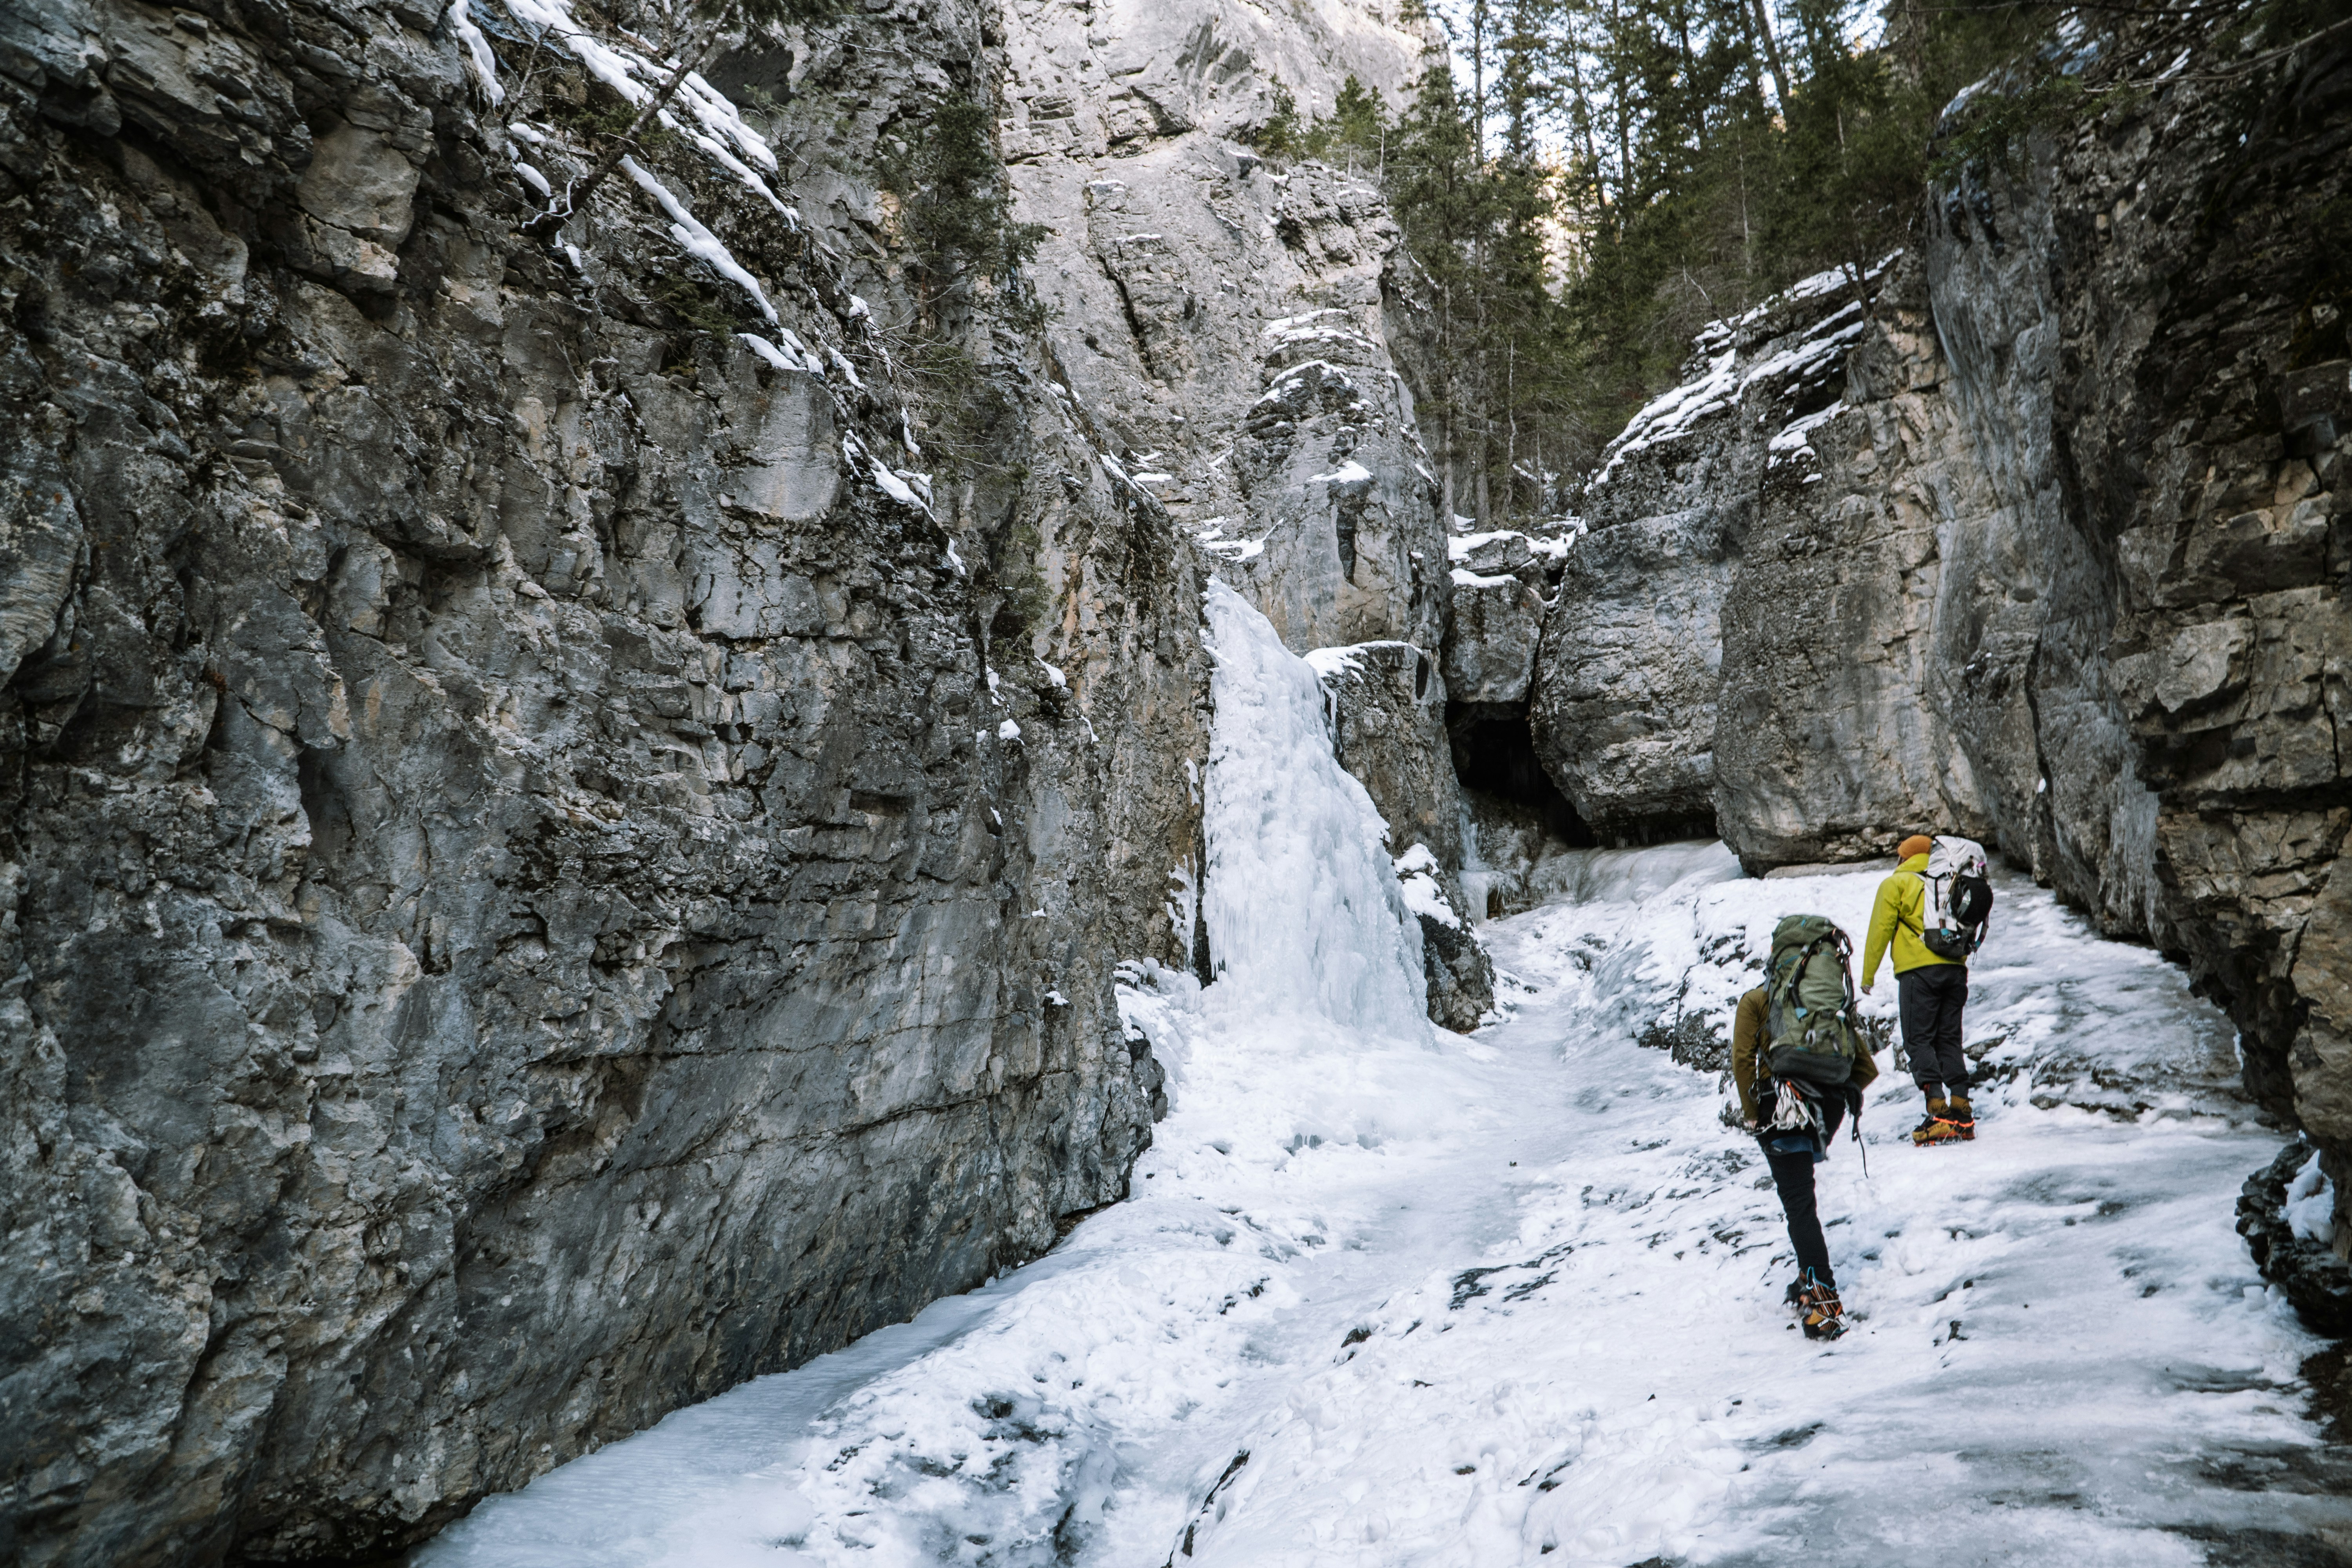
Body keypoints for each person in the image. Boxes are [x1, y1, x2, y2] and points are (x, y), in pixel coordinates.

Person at [1732, 983, 1876, 1340]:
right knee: (1802, 1197)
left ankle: (1826, 1305)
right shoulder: (1824, 1001)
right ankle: (1806, 1279)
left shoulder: (1756, 1001)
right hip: (1823, 1111)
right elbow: (1866, 1067)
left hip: (1780, 1110)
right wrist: (1833, 1100)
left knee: (1798, 1205)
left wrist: (1753, 1115)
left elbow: (1741, 1059)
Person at [1862, 833, 1972, 1145]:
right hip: (1955, 970)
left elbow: (1879, 930)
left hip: (1918, 974)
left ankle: (1938, 1111)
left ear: (1904, 858)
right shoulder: (1950, 884)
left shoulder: (1897, 884)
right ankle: (1962, 1110)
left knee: (1919, 1039)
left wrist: (1868, 976)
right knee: (1949, 1038)